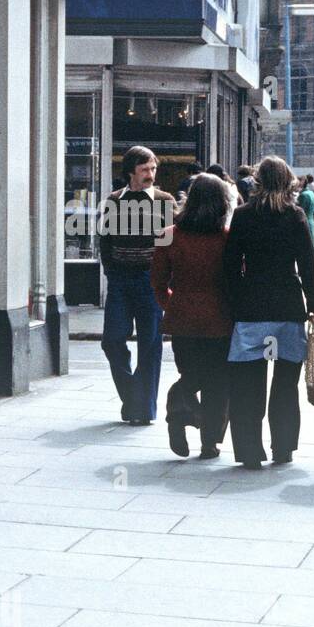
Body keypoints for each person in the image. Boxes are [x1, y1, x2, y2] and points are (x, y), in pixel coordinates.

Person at [223, 155, 314, 468]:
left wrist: (236, 300)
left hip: (252, 309)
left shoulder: (243, 215)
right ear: (287, 180)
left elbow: (230, 265)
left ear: (258, 181)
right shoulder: (294, 216)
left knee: (249, 385)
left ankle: (250, 452)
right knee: (284, 386)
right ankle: (283, 448)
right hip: (288, 309)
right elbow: (307, 265)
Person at [151, 174, 234, 459]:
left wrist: (171, 304)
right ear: (222, 203)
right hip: (220, 318)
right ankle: (210, 441)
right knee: (217, 381)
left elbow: (158, 282)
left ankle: (178, 408)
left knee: (190, 374)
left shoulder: (168, 234)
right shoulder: (226, 238)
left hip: (182, 318)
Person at [99, 145, 176, 425]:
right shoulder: (114, 200)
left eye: (153, 169)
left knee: (151, 344)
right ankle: (133, 396)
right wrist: (110, 271)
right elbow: (104, 241)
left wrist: (166, 280)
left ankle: (144, 409)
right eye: (144, 169)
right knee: (112, 340)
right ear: (131, 171)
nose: (150, 174)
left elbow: (171, 244)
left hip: (150, 280)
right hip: (120, 279)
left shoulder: (164, 201)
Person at [297, 174, 314, 251]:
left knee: (304, 251)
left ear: (302, 182)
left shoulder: (303, 195)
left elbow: (298, 213)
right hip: (311, 223)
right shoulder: (311, 193)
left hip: (303, 225)